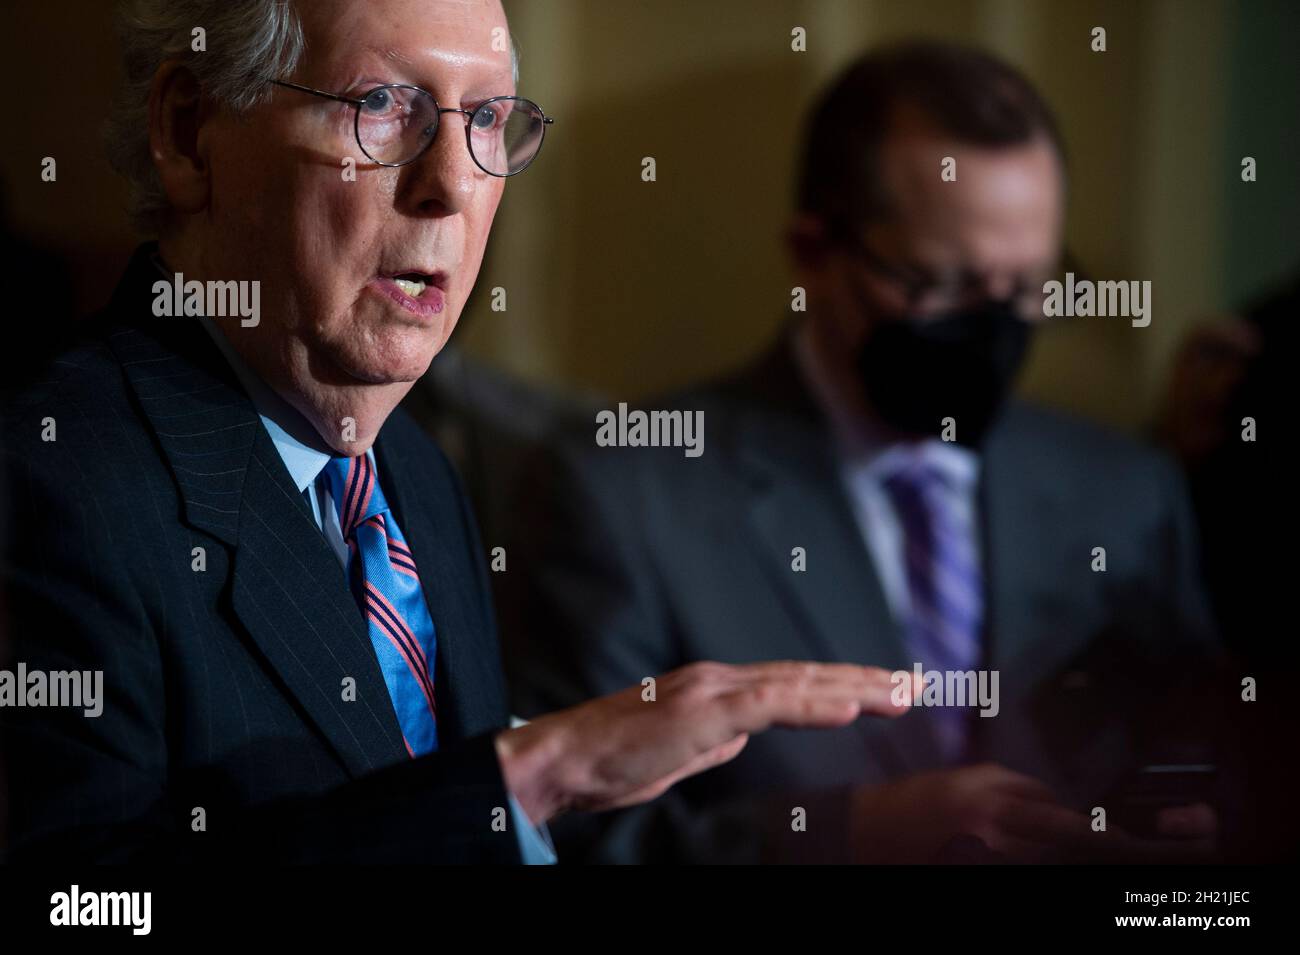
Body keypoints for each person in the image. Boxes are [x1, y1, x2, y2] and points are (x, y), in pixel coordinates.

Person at [0, 0, 912, 864]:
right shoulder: (46, 477)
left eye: (486, 119)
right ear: (190, 133)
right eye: (382, 105)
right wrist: (533, 772)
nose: (451, 186)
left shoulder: (417, 472)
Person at [502, 41, 1221, 863]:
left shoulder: (1126, 489)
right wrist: (849, 834)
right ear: (814, 253)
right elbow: (559, 834)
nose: (995, 328)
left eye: (1027, 289)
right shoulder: (624, 494)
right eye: (943, 286)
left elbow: (1207, 744)